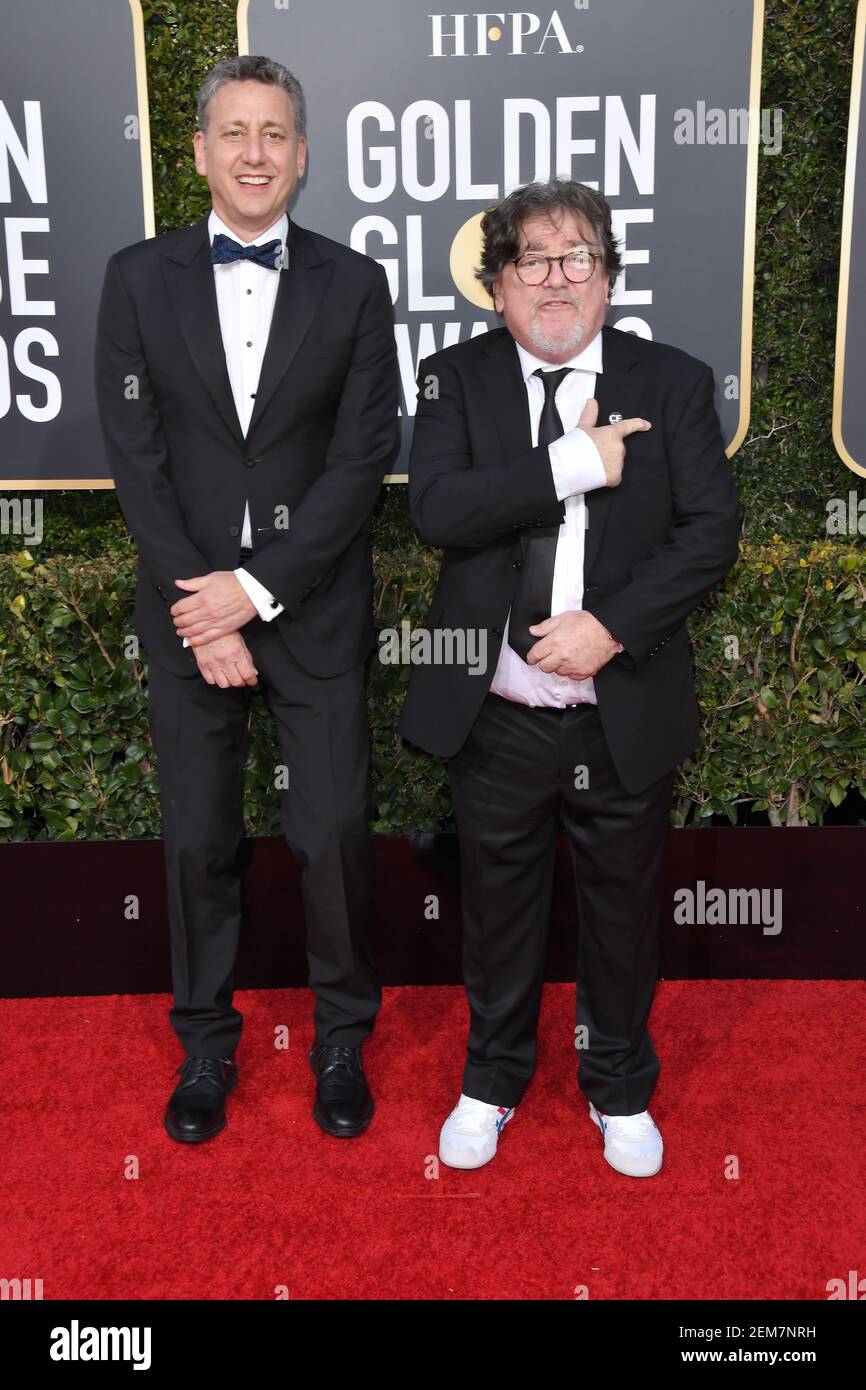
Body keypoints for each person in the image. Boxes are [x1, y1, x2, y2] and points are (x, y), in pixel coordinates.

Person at [399, 178, 740, 1177]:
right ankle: (491, 1079)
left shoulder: (672, 381)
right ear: (496, 285)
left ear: (606, 277)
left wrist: (609, 628)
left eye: (575, 257)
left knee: (622, 912)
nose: (555, 278)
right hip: (495, 712)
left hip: (618, 709)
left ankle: (620, 1086)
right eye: (531, 261)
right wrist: (572, 462)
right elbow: (440, 510)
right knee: (494, 908)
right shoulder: (451, 378)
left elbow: (708, 531)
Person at [95, 55, 399, 1144]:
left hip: (310, 610)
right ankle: (206, 1047)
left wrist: (258, 590)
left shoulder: (355, 285)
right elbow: (136, 457)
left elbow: (362, 460)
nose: (255, 152)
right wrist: (202, 606)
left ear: (302, 156)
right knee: (197, 843)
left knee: (330, 837)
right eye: (234, 132)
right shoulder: (135, 279)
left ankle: (339, 1039)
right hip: (185, 613)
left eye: (274, 133)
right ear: (197, 153)